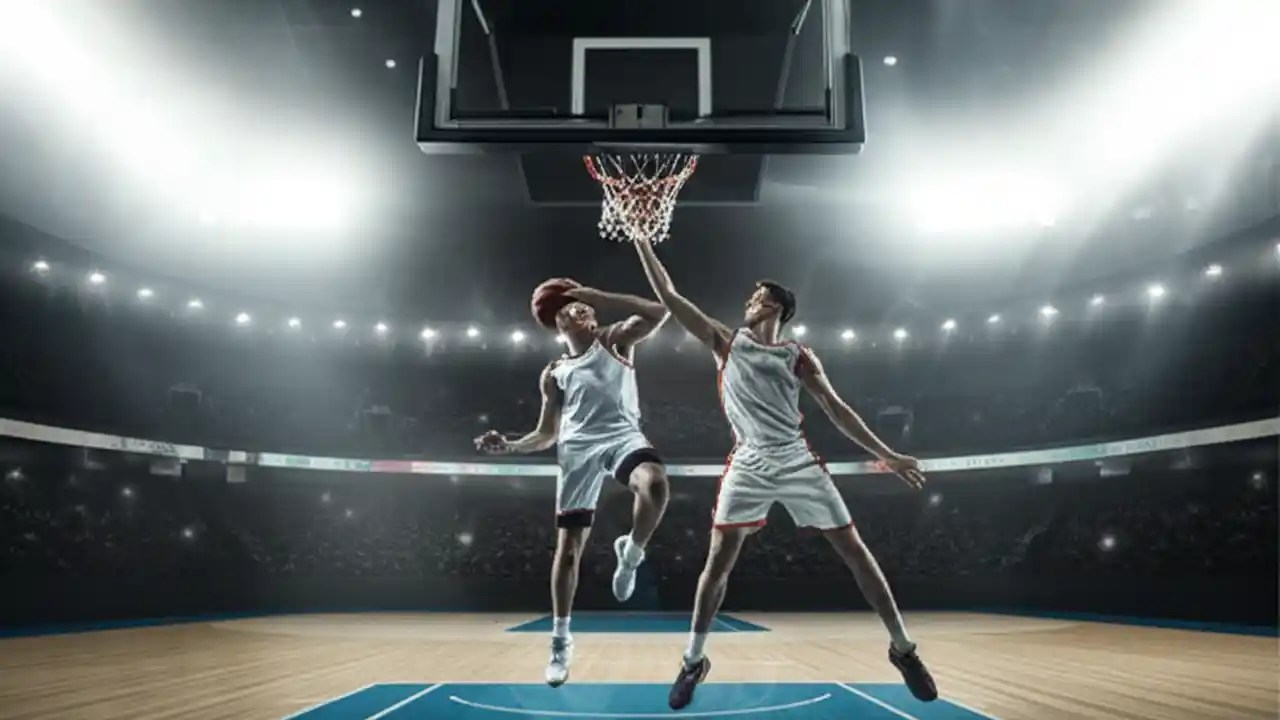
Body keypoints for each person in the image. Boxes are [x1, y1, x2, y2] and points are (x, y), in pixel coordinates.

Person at [630, 239, 938, 709]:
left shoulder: (798, 355)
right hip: (748, 460)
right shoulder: (724, 341)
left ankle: (904, 650)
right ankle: (693, 662)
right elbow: (671, 297)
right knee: (718, 560)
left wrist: (887, 454)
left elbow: (836, 409)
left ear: (774, 305)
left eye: (756, 297)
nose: (748, 302)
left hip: (796, 458)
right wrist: (643, 244)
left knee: (855, 551)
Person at [475, 284, 671, 688]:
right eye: (569, 307)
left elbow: (658, 311)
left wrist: (600, 294)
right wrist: (510, 445)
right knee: (567, 553)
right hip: (576, 451)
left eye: (585, 306)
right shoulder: (554, 373)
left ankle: (631, 553)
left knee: (654, 485)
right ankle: (561, 644)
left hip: (622, 437)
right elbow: (546, 434)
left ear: (594, 316)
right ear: (558, 322)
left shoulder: (615, 340)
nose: (578, 309)